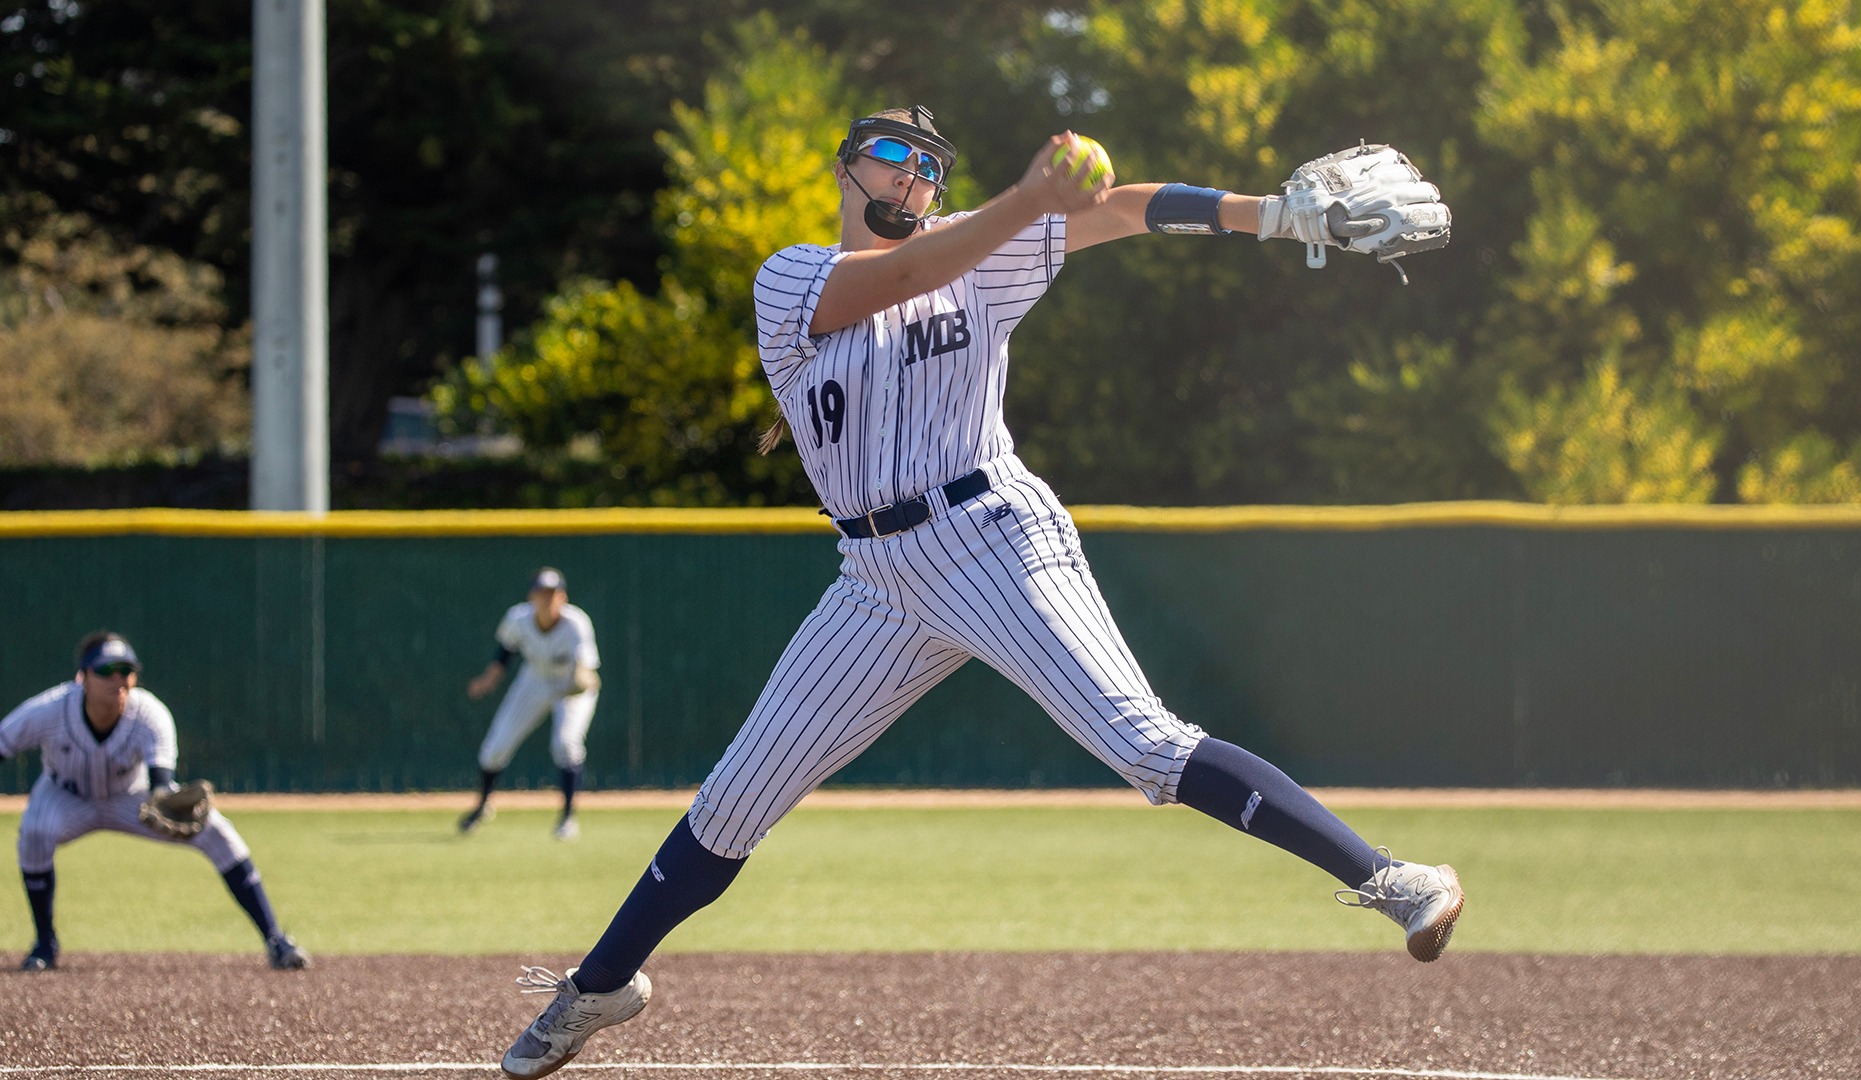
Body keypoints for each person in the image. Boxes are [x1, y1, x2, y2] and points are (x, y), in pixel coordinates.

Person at [496, 107, 1462, 1079]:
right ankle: (599, 989)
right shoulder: (790, 278)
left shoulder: (984, 257)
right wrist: (1032, 198)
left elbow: (1122, 210)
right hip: (873, 581)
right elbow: (902, 278)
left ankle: (1393, 879)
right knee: (735, 800)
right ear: (846, 168)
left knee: (1145, 747)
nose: (910, 176)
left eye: (929, 168)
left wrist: (1270, 214)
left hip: (992, 537)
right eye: (889, 156)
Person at [0, 632, 311, 972]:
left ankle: (276, 939)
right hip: (64, 796)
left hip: (133, 797)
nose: (118, 679)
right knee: (35, 832)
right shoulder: (51, 709)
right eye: (107, 670)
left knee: (217, 832)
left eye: (126, 670)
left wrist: (163, 799)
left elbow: (160, 783)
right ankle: (45, 943)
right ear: (83, 676)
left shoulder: (148, 713)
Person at [461, 567, 602, 841]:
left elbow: (586, 672)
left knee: (566, 744)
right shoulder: (518, 618)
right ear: (532, 596)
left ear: (562, 597)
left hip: (569, 688)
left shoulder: (576, 623)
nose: (547, 599)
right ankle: (482, 806)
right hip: (534, 680)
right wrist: (488, 680)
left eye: (552, 594)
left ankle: (567, 819)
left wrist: (585, 678)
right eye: (541, 593)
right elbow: (506, 651)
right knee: (495, 748)